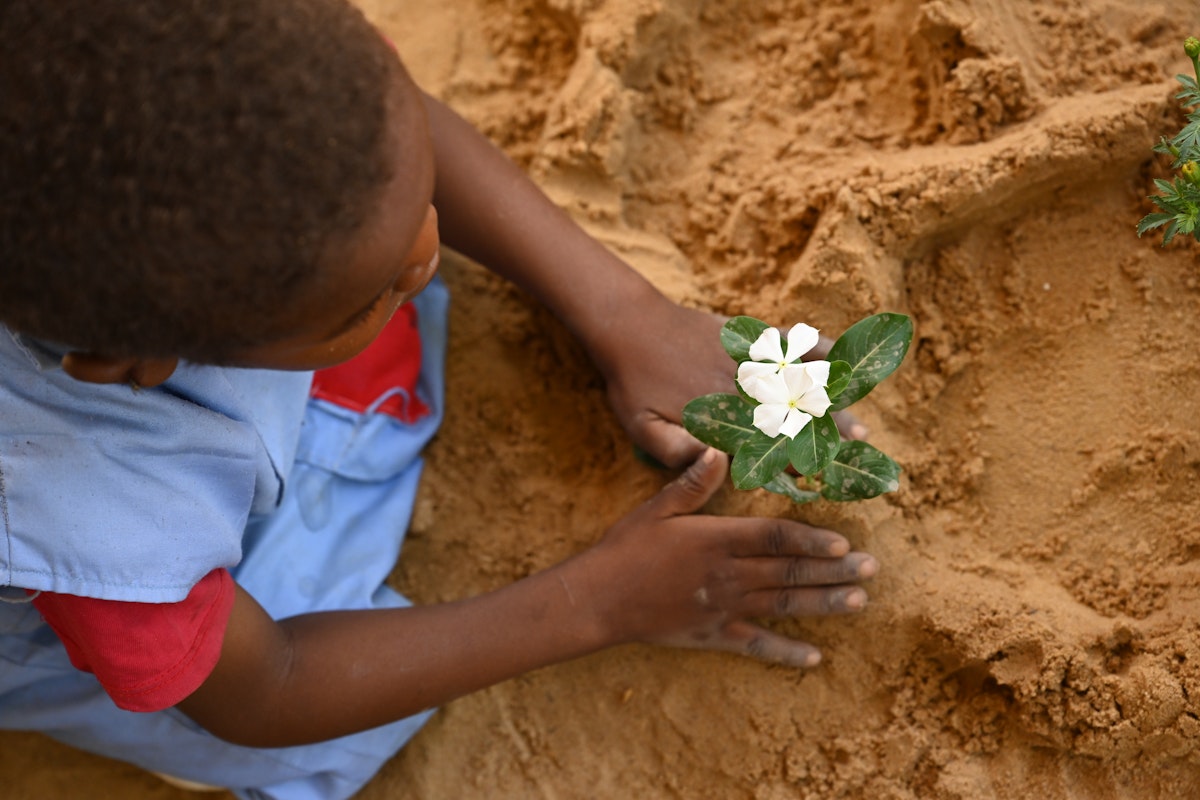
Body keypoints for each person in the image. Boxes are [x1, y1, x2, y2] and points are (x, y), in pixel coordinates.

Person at [0, 1, 880, 797]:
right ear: (132, 362)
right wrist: (601, 600)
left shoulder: (203, 65)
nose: (427, 250)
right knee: (326, 734)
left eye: (420, 204)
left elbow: (393, 111)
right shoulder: (86, 524)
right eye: (370, 296)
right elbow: (267, 690)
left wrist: (622, 310)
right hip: (122, 598)